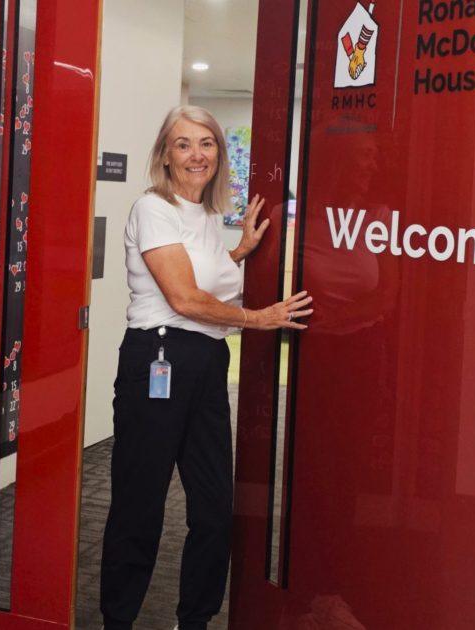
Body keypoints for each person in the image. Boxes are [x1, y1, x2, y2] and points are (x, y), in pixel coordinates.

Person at [100, 105, 314, 630]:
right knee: (140, 505)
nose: (197, 154)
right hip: (159, 357)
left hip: (205, 362)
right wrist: (259, 319)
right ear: (166, 157)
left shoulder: (207, 216)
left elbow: (203, 276)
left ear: (218, 153)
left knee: (215, 508)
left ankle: (193, 621)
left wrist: (238, 250)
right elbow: (183, 298)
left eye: (207, 143)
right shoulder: (153, 208)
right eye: (183, 144)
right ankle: (117, 621)